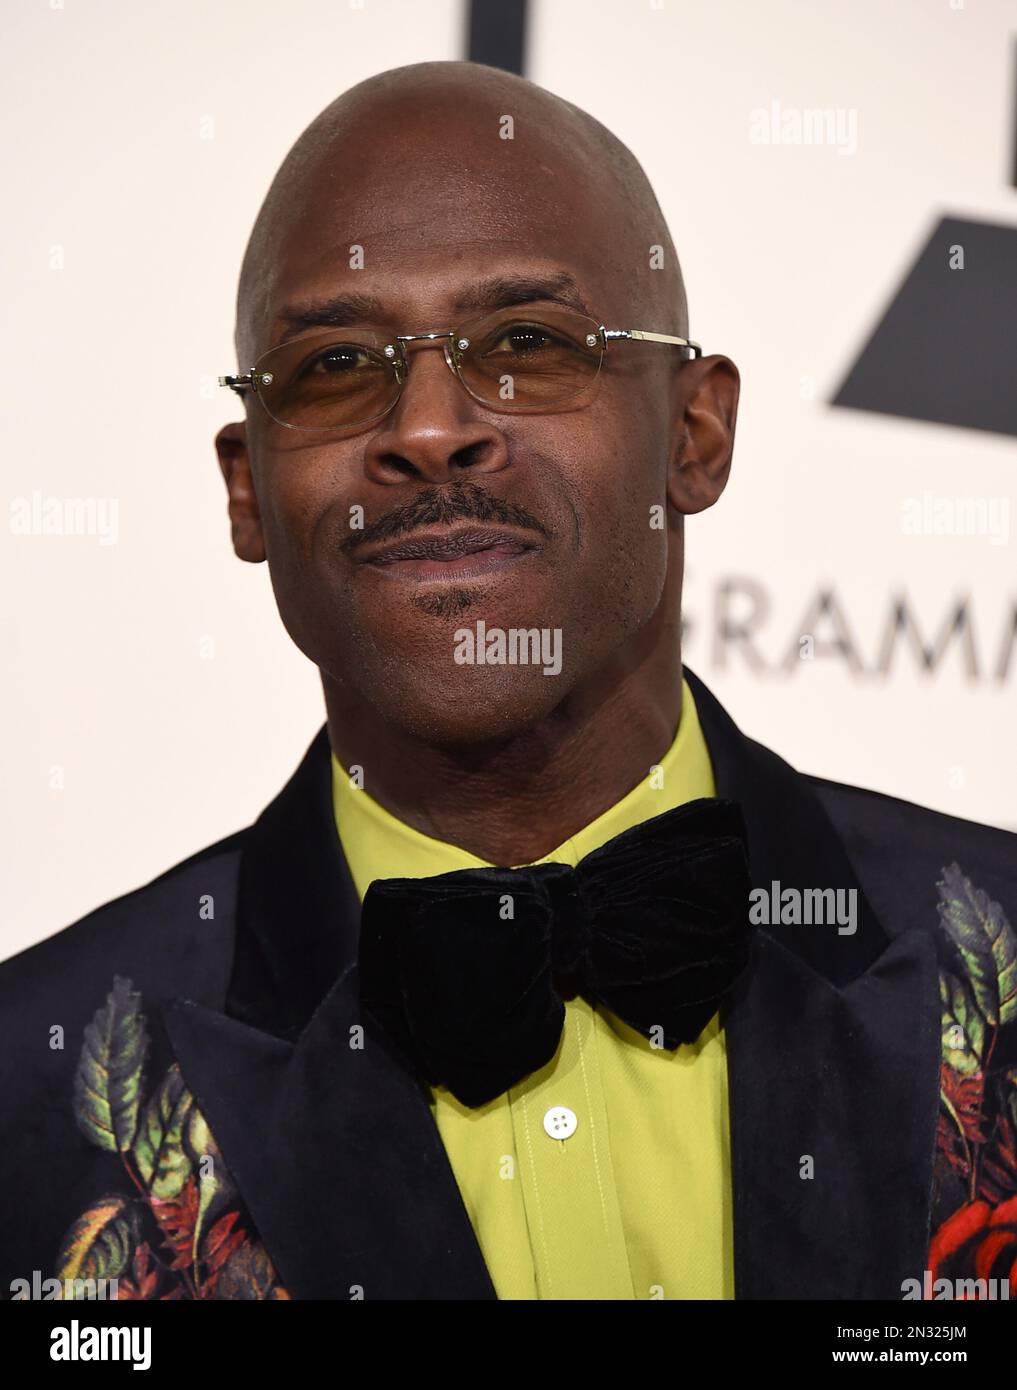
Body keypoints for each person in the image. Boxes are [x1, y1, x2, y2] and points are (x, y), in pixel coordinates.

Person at [2, 59, 1015, 1303]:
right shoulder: (25, 1092)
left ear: (696, 435)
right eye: (333, 364)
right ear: (247, 487)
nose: (428, 427)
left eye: (530, 344)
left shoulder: (994, 940)